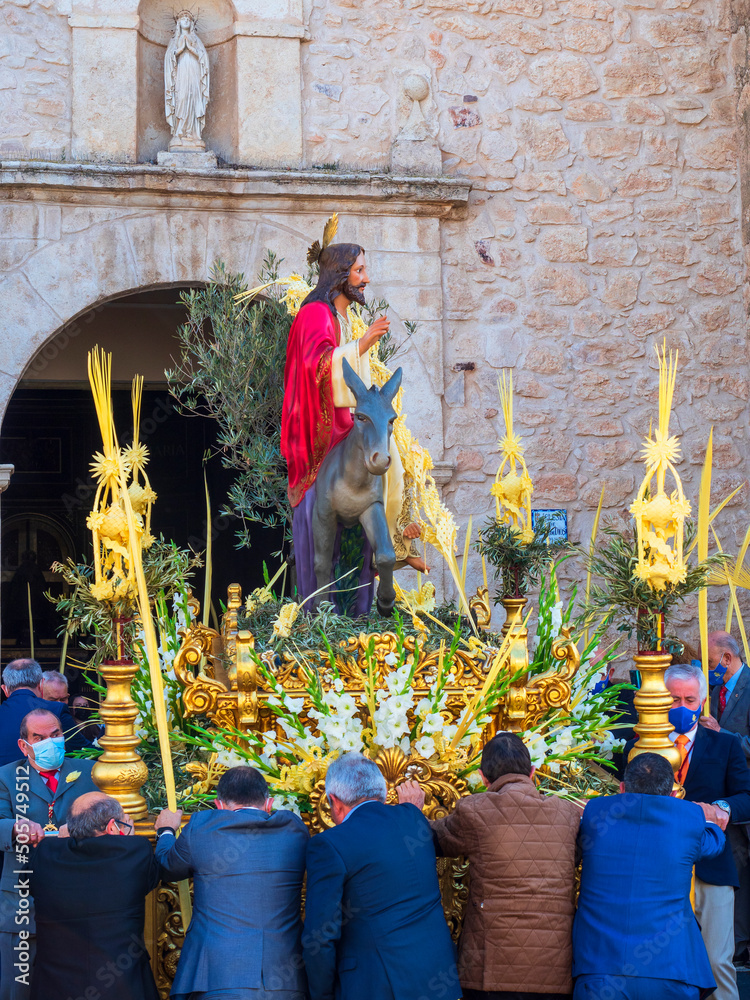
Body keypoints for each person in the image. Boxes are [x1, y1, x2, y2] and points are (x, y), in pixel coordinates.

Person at [281, 239, 426, 614]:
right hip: (323, 430)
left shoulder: (343, 316)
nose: (365, 279)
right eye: (359, 271)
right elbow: (314, 368)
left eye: (364, 271)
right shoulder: (315, 314)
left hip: (347, 421)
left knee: (394, 450)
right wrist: (361, 344)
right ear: (340, 274)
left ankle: (394, 544)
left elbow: (353, 383)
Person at [398, 731, 581, 1000]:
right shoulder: (567, 815)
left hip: (490, 971)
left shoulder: (476, 810)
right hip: (552, 972)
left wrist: (411, 811)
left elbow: (426, 842)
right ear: (532, 772)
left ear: (484, 778)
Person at [624, 663, 750, 1000]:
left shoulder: (724, 746)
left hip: (711, 867)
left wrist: (722, 808)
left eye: (689, 699)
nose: (681, 707)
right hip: (656, 869)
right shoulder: (638, 747)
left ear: (702, 701)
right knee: (658, 964)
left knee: (715, 962)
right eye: (674, 699)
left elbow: (747, 797)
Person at [303, 751, 460, 1000]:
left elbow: (321, 937)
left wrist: (322, 995)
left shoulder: (329, 844)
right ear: (384, 793)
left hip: (377, 986)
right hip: (438, 979)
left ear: (334, 801)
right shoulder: (414, 819)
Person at [573, 752, 725, 1000]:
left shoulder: (595, 812)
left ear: (622, 788)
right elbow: (714, 843)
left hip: (600, 970)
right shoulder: (688, 818)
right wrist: (709, 819)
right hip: (671, 972)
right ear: (673, 794)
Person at [155, 765, 309, 1000]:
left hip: (216, 979)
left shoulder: (202, 829)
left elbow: (167, 866)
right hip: (285, 980)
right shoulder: (294, 829)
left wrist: (166, 830)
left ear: (219, 806)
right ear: (269, 804)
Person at [0, 708, 97, 1000]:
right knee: (20, 985)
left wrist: (79, 828)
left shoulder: (90, 772)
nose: (49, 742)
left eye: (55, 735)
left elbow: (107, 816)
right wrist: (16, 828)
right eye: (39, 738)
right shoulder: (6, 776)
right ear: (24, 745)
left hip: (76, 894)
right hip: (22, 897)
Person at [28, 791, 159, 1000]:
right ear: (112, 827)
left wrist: (60, 842)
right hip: (122, 987)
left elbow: (28, 884)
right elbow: (152, 878)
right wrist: (127, 841)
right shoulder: (135, 851)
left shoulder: (44, 854)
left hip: (55, 987)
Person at [702, 632, 750, 967]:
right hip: (723, 796)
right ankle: (734, 943)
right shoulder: (715, 692)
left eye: (712, 663)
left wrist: (723, 735)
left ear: (727, 659)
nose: (710, 671)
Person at [0, 659, 87, 765]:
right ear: (41, 685)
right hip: (45, 781)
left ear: (5, 690)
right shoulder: (56, 710)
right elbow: (84, 752)